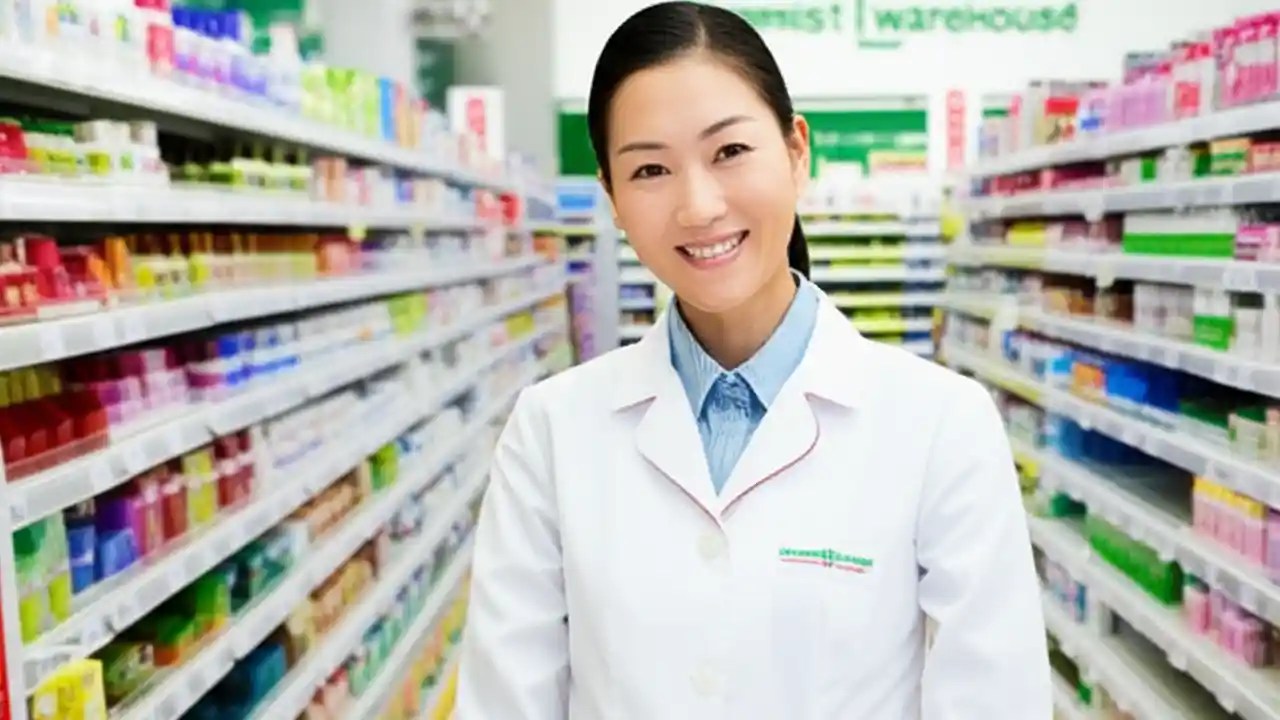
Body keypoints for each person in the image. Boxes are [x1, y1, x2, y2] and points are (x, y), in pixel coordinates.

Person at [453, 2, 1051, 718]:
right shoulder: (550, 430)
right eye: (650, 169)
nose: (698, 205)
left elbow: (994, 701)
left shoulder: (941, 424)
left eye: (730, 152)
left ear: (798, 152)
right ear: (612, 198)